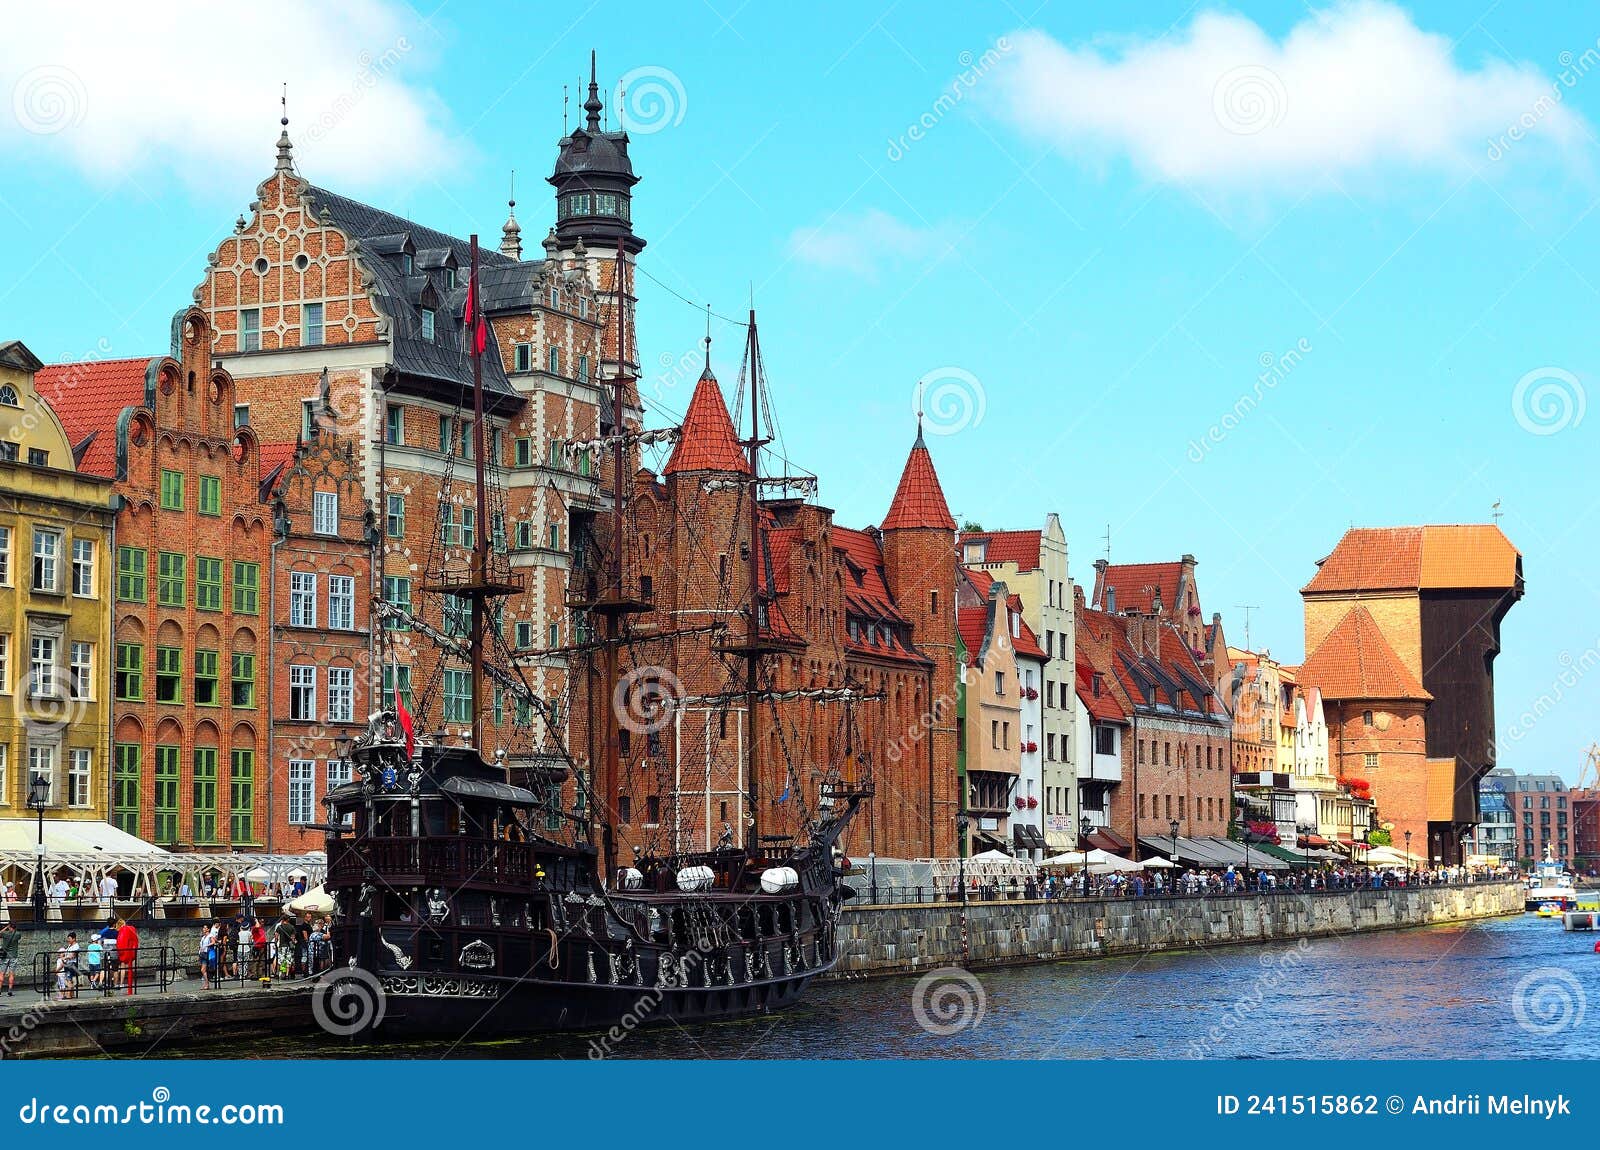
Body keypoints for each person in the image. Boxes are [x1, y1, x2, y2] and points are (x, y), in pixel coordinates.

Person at [115, 917, 139, 995]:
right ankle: (121, 982)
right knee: (124, 967)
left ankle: (116, 982)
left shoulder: (121, 931)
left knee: (119, 967)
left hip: (121, 952)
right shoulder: (129, 929)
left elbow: (120, 942)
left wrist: (121, 952)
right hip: (128, 950)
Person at [56, 932, 80, 1000]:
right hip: (68, 963)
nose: (68, 940)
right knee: (69, 979)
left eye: (69, 938)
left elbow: (73, 955)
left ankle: (69, 995)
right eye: (68, 938)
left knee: (69, 979)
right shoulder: (70, 945)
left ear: (74, 938)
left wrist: (65, 958)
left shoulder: (76, 946)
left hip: (71, 964)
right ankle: (72, 994)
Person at [0, 922, 19, 996]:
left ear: (9, 927)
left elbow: (0, 932)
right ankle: (10, 990)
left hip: (4, 957)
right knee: (11, 974)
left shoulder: (5, 934)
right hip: (13, 957)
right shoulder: (18, 934)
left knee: (2, 974)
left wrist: (5, 928)